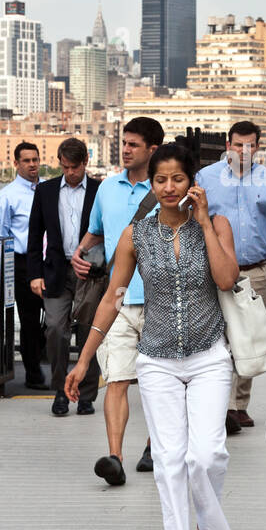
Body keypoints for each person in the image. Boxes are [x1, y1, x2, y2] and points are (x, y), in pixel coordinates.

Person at [64, 143, 240, 530]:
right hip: (158, 359)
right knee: (168, 460)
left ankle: (209, 528)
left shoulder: (216, 225)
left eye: (176, 179)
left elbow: (226, 278)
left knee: (206, 455)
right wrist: (85, 360)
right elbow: (112, 298)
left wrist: (202, 221)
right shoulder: (134, 235)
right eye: (160, 180)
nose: (167, 188)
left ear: (191, 183)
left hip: (209, 357)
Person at [195, 120, 266, 434]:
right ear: (228, 145)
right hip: (214, 270)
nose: (243, 151)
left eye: (249, 145)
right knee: (216, 338)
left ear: (257, 147)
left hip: (256, 271)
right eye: (237, 144)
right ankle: (220, 406)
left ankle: (238, 406)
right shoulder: (206, 178)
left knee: (247, 337)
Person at [71, 117, 164, 484]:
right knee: (118, 379)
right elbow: (95, 232)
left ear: (152, 150)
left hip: (161, 302)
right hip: (118, 301)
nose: (125, 149)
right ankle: (115, 457)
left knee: (159, 384)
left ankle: (154, 445)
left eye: (133, 144)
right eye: (123, 143)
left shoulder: (169, 190)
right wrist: (79, 253)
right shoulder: (107, 189)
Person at [27, 137, 102, 416]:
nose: (70, 172)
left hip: (90, 272)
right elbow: (35, 236)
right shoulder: (45, 191)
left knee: (88, 334)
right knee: (56, 330)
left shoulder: (99, 190)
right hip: (56, 271)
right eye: (65, 167)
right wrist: (35, 274)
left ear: (85, 163)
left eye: (74, 167)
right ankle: (60, 389)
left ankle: (86, 395)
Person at [0, 142, 45, 390]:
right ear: (16, 164)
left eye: (35, 159)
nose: (32, 165)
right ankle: (33, 375)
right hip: (20, 263)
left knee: (56, 318)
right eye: (27, 161)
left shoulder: (48, 190)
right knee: (30, 320)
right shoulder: (8, 196)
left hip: (47, 261)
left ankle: (45, 361)